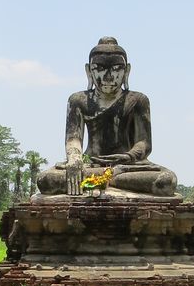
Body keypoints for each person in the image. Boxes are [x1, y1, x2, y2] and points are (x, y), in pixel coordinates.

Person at [36, 37, 177, 197]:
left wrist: (128, 156)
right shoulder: (78, 100)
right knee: (46, 180)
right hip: (90, 164)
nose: (109, 76)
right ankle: (107, 180)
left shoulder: (138, 100)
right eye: (100, 68)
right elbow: (73, 138)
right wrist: (75, 160)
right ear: (89, 71)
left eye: (117, 69)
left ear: (127, 71)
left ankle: (101, 181)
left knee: (166, 181)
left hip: (128, 167)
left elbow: (144, 143)